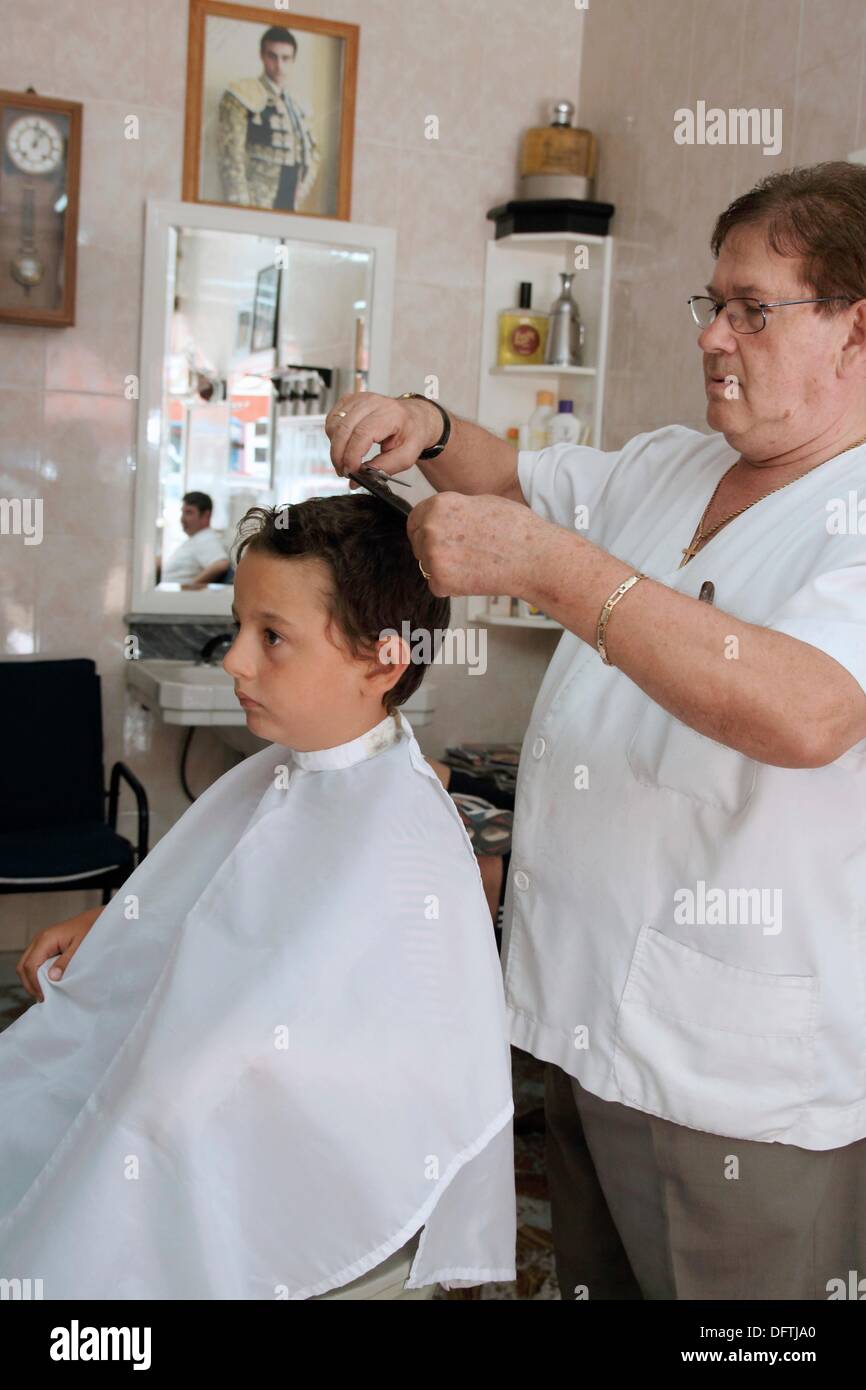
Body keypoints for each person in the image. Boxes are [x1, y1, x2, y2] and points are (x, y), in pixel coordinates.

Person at [325, 161, 866, 1300]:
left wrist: (562, 577)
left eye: (750, 310)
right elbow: (516, 478)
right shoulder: (678, 466)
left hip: (732, 1077)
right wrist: (425, 424)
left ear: (854, 330)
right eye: (708, 304)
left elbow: (811, 708)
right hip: (580, 1021)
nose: (713, 336)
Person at [3, 494, 516, 1299]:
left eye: (272, 637)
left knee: (103, 1158)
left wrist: (192, 1066)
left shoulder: (404, 839)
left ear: (383, 659)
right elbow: (225, 900)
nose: (236, 660)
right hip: (180, 1076)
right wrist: (115, 922)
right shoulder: (288, 769)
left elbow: (391, 1055)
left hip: (263, 1138)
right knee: (42, 1085)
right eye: (240, 627)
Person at [217, 24, 320, 213]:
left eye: (286, 58)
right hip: (256, 197)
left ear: (293, 60)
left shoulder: (299, 104)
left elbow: (312, 154)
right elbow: (231, 157)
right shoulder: (242, 94)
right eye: (272, 56)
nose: (279, 65)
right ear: (262, 56)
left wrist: (300, 191)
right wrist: (240, 207)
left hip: (291, 199)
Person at [158, 491, 230, 588]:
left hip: (178, 599)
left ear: (206, 516)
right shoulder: (196, 539)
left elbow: (221, 564)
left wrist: (189, 588)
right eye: (182, 512)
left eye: (189, 512)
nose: (182, 519)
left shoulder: (206, 539)